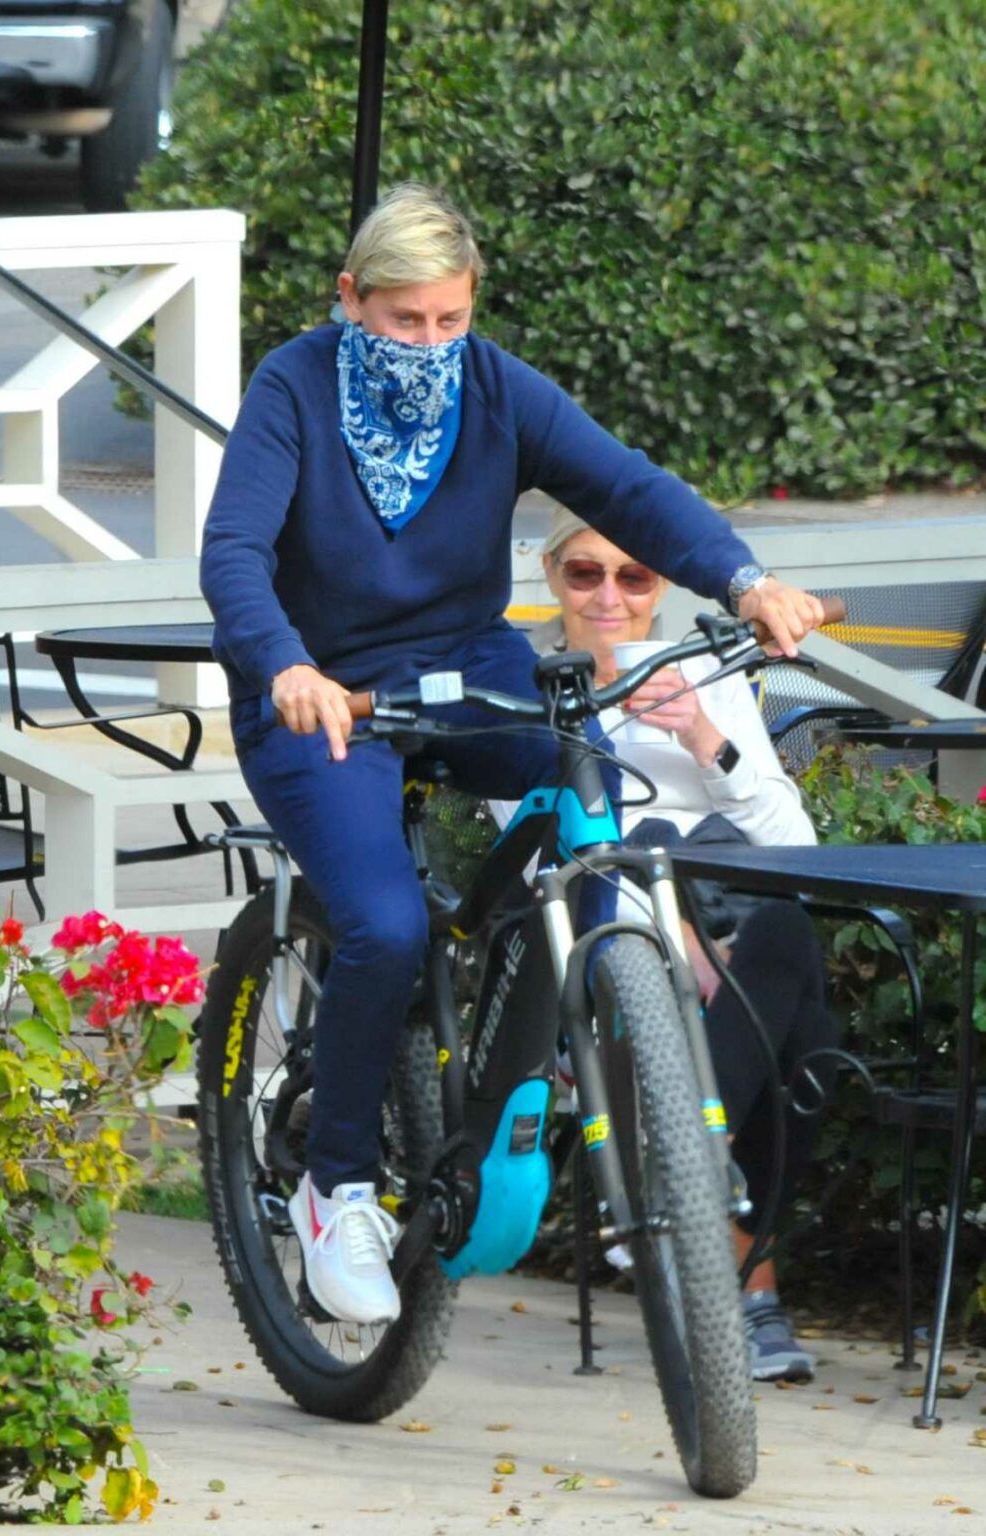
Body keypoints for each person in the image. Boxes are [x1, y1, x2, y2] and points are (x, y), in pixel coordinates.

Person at [200, 181, 827, 1328]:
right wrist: (285, 663)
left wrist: (744, 578)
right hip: (320, 694)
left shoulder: (493, 388)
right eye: (403, 320)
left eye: (450, 319)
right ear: (350, 299)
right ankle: (335, 1186)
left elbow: (625, 485)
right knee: (384, 924)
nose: (430, 343)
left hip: (461, 665)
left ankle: (670, 1128)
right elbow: (234, 548)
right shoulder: (292, 385)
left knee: (592, 797)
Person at [514, 504, 838, 1380]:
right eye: (586, 574)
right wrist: (678, 928)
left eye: (635, 575)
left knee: (789, 967)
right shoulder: (525, 676)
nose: (611, 596)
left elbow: (792, 842)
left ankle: (693, 1190)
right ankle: (751, 1294)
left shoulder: (702, 665)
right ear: (552, 578)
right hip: (612, 909)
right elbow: (527, 845)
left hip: (733, 896)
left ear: (660, 583)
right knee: (799, 1039)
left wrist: (703, 734)